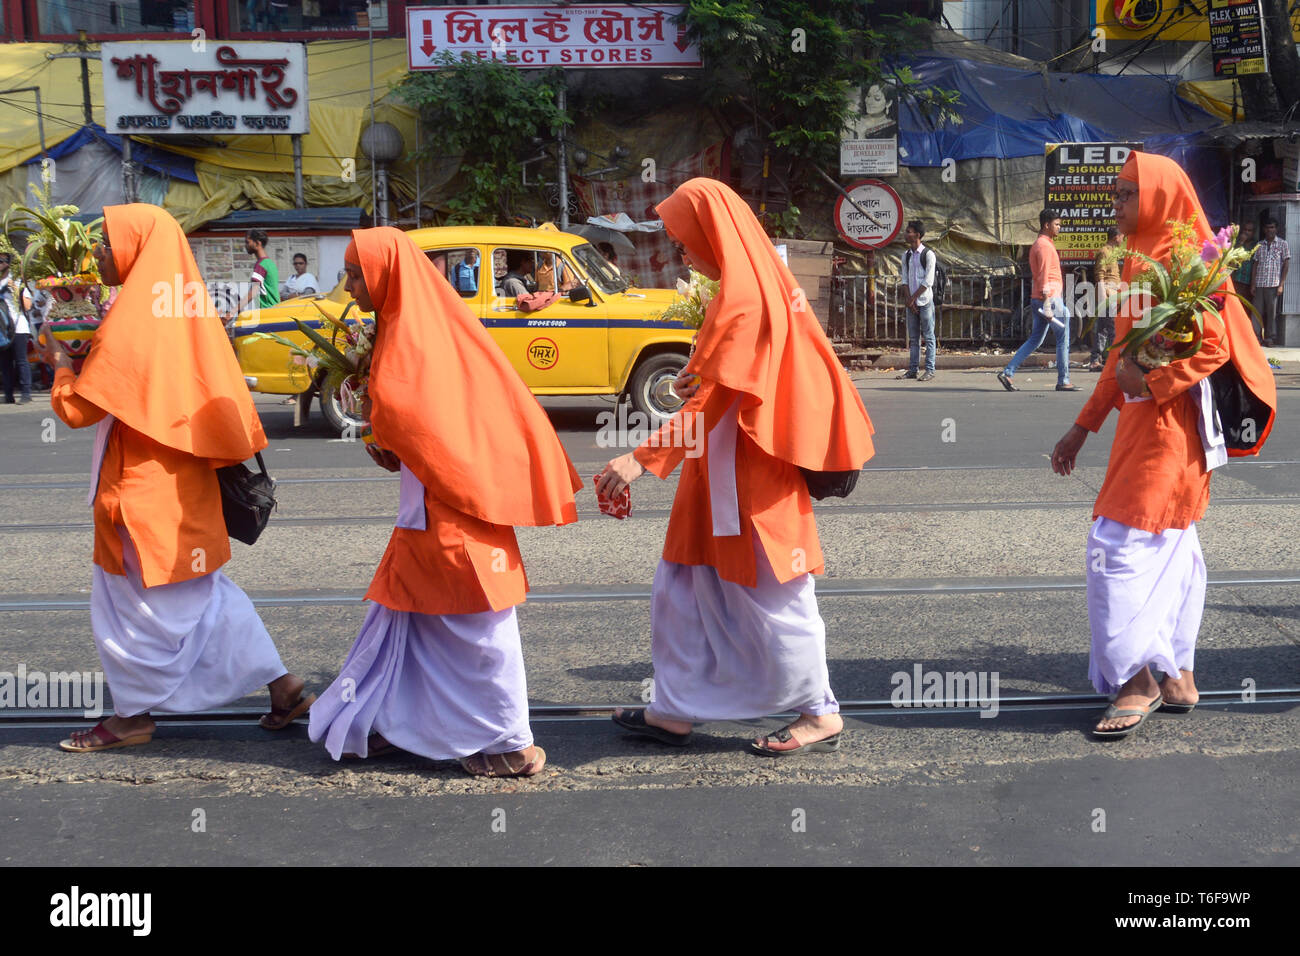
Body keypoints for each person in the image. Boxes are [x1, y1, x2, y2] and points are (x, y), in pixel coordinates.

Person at [596, 178, 875, 756]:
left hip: (749, 474)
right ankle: (674, 709)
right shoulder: (744, 289)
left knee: (776, 596)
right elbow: (722, 384)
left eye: (682, 237)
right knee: (682, 588)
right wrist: (697, 378)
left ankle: (820, 711)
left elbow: (718, 397)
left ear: (710, 232)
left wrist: (641, 459)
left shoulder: (743, 298)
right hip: (719, 467)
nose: (680, 251)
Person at [34, 204, 313, 752]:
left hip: (140, 494)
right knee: (205, 597)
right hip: (184, 490)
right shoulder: (181, 307)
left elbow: (77, 410)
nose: (98, 256)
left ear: (136, 249)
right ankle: (283, 685)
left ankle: (130, 717)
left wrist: (59, 362)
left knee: (124, 605)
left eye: (106, 246)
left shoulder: (133, 318)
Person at [307, 226, 583, 777]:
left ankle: (508, 741)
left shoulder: (415, 332)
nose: (351, 283)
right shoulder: (407, 323)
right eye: (350, 273)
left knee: (475, 621)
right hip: (437, 500)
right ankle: (389, 717)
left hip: (454, 507)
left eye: (358, 273)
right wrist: (390, 444)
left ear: (387, 274)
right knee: (422, 615)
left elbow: (421, 418)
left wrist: (384, 430)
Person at [1049, 152, 1276, 739]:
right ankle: (1177, 675)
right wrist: (1083, 426)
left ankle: (1137, 681)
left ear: (1158, 200)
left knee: (1118, 544)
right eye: (1117, 193)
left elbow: (1215, 347)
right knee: (1173, 547)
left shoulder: (1184, 260)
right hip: (1146, 428)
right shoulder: (1136, 264)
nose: (1116, 204)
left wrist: (1149, 383)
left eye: (1127, 194)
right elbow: (1119, 361)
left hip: (1172, 433)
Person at [998, 209, 1077, 392]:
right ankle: (1063, 380)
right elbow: (1042, 276)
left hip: (1041, 299)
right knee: (1062, 339)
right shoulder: (1044, 246)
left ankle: (1008, 373)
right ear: (1046, 225)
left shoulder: (1041, 244)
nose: (1059, 228)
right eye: (1057, 225)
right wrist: (1048, 304)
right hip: (1049, 300)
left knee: (1035, 340)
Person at [895, 219, 937, 382]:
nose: (906, 234)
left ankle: (930, 369)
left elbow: (928, 281)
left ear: (917, 235)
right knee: (913, 338)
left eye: (909, 231)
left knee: (929, 336)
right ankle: (913, 370)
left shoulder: (928, 255)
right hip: (911, 302)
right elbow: (904, 278)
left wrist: (912, 299)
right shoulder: (906, 255)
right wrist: (909, 299)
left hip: (925, 301)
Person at [1088, 226, 1123, 372]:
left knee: (1103, 328)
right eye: (1122, 237)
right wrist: (1103, 295)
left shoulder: (1113, 253)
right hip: (1108, 293)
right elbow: (1099, 274)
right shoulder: (1104, 252)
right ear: (1116, 237)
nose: (1123, 239)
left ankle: (1096, 360)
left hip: (1113, 292)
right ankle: (1113, 360)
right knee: (1113, 327)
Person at [1250, 218, 1289, 346]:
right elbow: (1255, 265)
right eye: (1267, 227)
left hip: (1273, 284)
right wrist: (1253, 284)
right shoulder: (1259, 245)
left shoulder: (1283, 244)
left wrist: (1281, 285)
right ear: (1264, 229)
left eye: (1272, 227)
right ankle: (1255, 337)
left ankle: (1269, 338)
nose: (1270, 230)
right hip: (1260, 283)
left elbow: (1286, 265)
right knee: (1256, 312)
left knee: (1271, 313)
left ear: (1276, 229)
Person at [0, 253, 33, 405]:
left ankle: (26, 393)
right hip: (2, 330)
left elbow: (28, 306)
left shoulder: (18, 281)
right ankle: (8, 394)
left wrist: (17, 290)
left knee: (21, 360)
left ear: (8, 263)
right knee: (5, 363)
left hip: (19, 327)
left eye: (1, 261)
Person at [236, 228, 280, 313]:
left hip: (267, 311)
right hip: (275, 310)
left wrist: (231, 313)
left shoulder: (260, 265)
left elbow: (253, 291)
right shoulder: (270, 263)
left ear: (257, 243)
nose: (246, 245)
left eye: (248, 242)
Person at [1231, 220, 1257, 311]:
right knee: (1234, 306)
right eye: (1245, 230)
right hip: (1236, 280)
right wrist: (1241, 242)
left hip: (1248, 282)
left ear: (1253, 233)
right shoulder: (1236, 243)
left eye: (1249, 230)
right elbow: (1231, 259)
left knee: (1245, 308)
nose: (1246, 232)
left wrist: (1253, 284)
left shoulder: (1256, 245)